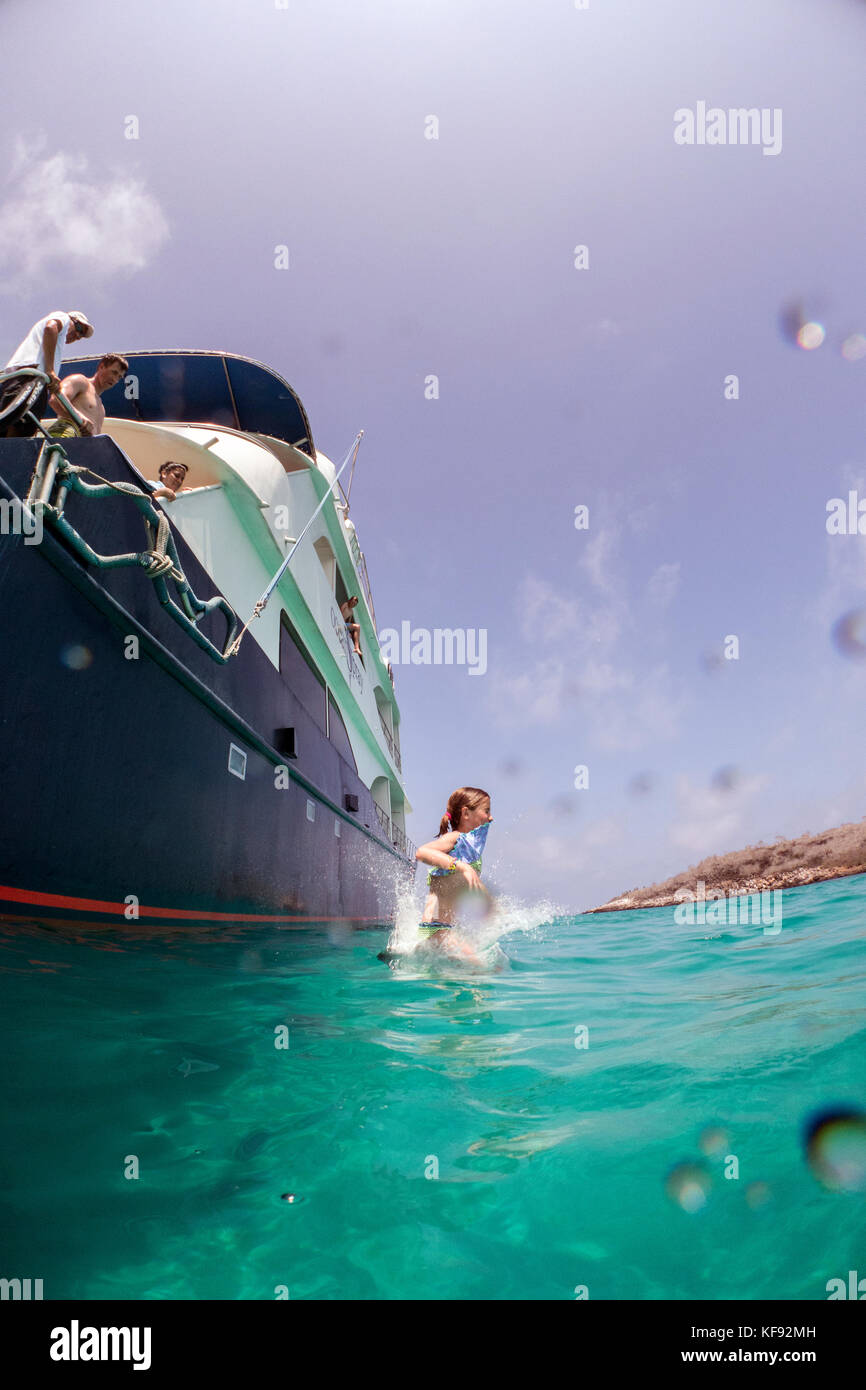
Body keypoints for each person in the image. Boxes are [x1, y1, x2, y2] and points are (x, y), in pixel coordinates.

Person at [414, 786, 493, 956]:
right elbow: (422, 852)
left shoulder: (470, 850)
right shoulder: (455, 838)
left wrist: (490, 905)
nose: (490, 817)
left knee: (445, 979)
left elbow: (473, 884)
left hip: (442, 928)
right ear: (466, 814)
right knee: (480, 969)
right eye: (486, 811)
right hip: (437, 927)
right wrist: (461, 866)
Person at [1, 311, 94, 437]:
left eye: (80, 336)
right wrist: (50, 370)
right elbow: (50, 328)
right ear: (72, 320)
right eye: (78, 328)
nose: (77, 335)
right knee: (15, 423)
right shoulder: (64, 318)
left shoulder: (55, 350)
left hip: (36, 382)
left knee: (20, 431)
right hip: (30, 379)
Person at [47, 353, 128, 438]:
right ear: (101, 367)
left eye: (119, 377)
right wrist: (78, 418)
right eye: (114, 372)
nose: (115, 379)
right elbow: (56, 399)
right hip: (66, 437)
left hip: (82, 448)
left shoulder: (101, 409)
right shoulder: (81, 381)